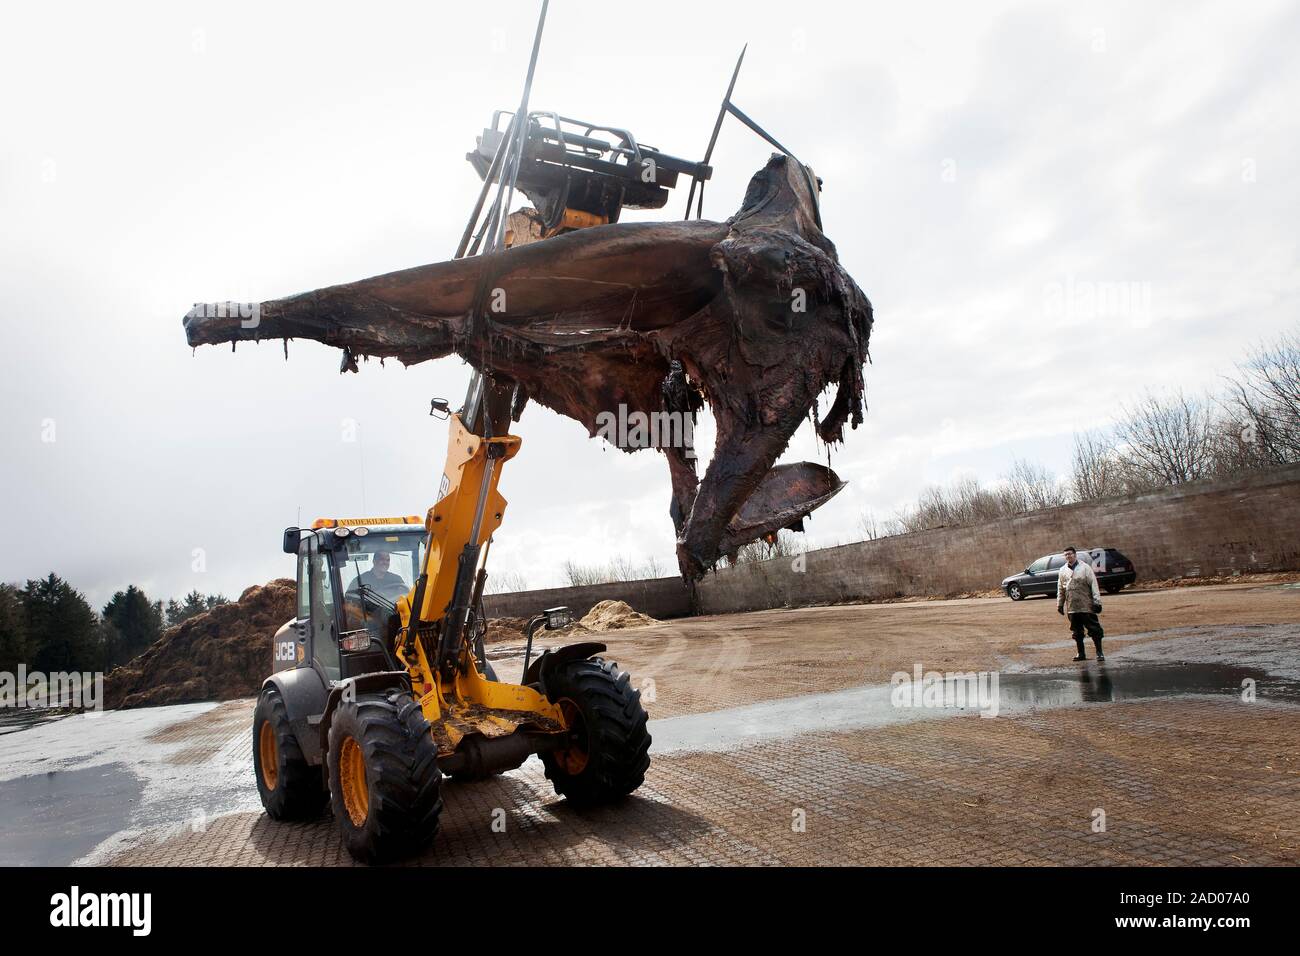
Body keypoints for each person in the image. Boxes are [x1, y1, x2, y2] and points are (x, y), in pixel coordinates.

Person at [1057, 546, 1104, 662]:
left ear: (1075, 555)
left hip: (1086, 605)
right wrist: (1060, 604)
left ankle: (1099, 653)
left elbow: (1094, 585)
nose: (1068, 556)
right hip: (1072, 607)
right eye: (1066, 554)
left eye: (1070, 554)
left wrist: (1097, 601)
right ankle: (1081, 653)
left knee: (1094, 629)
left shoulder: (1085, 568)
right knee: (1077, 631)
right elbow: (1060, 589)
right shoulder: (1062, 570)